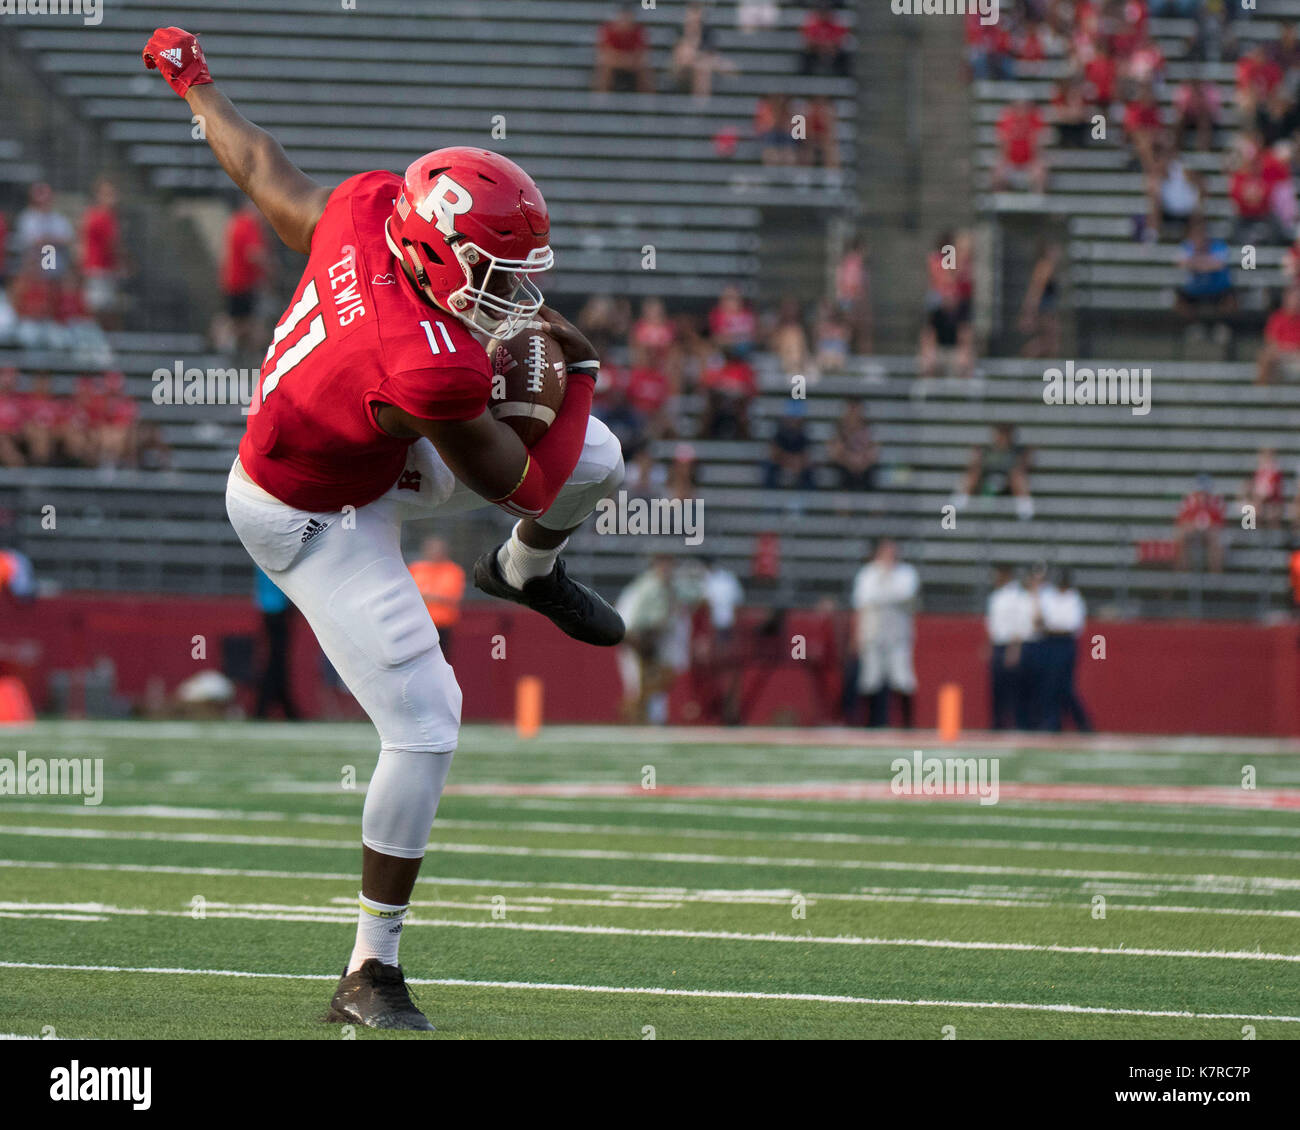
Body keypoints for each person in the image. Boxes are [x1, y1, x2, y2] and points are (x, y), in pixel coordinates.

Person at [143, 25, 625, 1031]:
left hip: (369, 448)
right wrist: (575, 369)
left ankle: (525, 578)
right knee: (426, 718)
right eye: (499, 274)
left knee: (604, 460)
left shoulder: (368, 212)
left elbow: (262, 166)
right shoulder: (427, 360)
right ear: (436, 252)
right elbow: (520, 479)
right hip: (303, 511)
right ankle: (371, 967)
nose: (518, 296)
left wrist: (195, 84)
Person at [850, 540, 919, 728]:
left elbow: (905, 596)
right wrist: (856, 636)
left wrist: (884, 590)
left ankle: (907, 726)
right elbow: (862, 604)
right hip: (872, 634)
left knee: (903, 679)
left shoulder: (906, 573)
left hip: (898, 636)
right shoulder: (867, 574)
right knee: (870, 680)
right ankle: (871, 724)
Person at [1037, 568, 1092, 733]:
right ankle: (1052, 723)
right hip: (1049, 643)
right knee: (1049, 684)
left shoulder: (1074, 598)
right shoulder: (1049, 596)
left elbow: (1071, 627)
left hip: (1065, 644)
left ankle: (1081, 722)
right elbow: (1042, 621)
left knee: (1065, 686)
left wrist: (1051, 627)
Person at [986, 565, 1032, 731]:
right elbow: (994, 625)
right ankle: (998, 725)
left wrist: (1015, 649)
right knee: (997, 689)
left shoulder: (1018, 596)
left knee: (1015, 689)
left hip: (1011, 645)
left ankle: (1019, 724)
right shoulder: (996, 596)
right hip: (998, 644)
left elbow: (1019, 624)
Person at [408, 537, 466, 662]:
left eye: (437, 549)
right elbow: (408, 594)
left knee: (440, 661)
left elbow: (451, 597)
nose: (434, 552)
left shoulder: (453, 570)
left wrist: (426, 597)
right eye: (431, 548)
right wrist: (433, 597)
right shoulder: (416, 569)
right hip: (418, 625)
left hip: (442, 626)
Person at [253, 566, 299, 720]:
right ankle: (266, 706)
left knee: (277, 659)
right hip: (277, 608)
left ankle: (278, 705)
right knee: (277, 660)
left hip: (269, 606)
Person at [79, 176, 124, 330]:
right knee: (96, 310)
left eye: (113, 193)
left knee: (108, 310)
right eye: (107, 194)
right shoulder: (97, 216)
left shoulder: (110, 217)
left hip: (107, 269)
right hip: (97, 269)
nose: (112, 198)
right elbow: (110, 245)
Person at [594, 4, 654, 93]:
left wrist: (628, 60)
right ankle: (600, 99)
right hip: (615, 62)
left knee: (644, 66)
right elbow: (606, 53)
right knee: (605, 66)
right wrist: (624, 60)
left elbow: (641, 52)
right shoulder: (608, 30)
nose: (625, 20)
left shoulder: (638, 31)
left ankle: (648, 101)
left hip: (632, 62)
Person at [1174, 473, 1225, 572]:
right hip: (1193, 531)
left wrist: (1208, 527)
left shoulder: (1217, 501)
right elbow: (1181, 522)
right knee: (1180, 536)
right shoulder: (1188, 501)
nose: (1202, 495)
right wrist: (1192, 526)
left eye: (1205, 491)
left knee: (1216, 540)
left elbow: (1220, 525)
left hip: (1210, 533)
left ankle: (1215, 578)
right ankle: (1182, 575)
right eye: (1200, 491)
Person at [1257, 287, 1300, 385]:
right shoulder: (1277, 317)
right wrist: (1286, 348)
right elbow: (1270, 341)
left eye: (1298, 299)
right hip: (1281, 354)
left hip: (1297, 355)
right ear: (1286, 300)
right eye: (1293, 299)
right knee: (1266, 355)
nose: (1296, 302)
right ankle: (1260, 393)